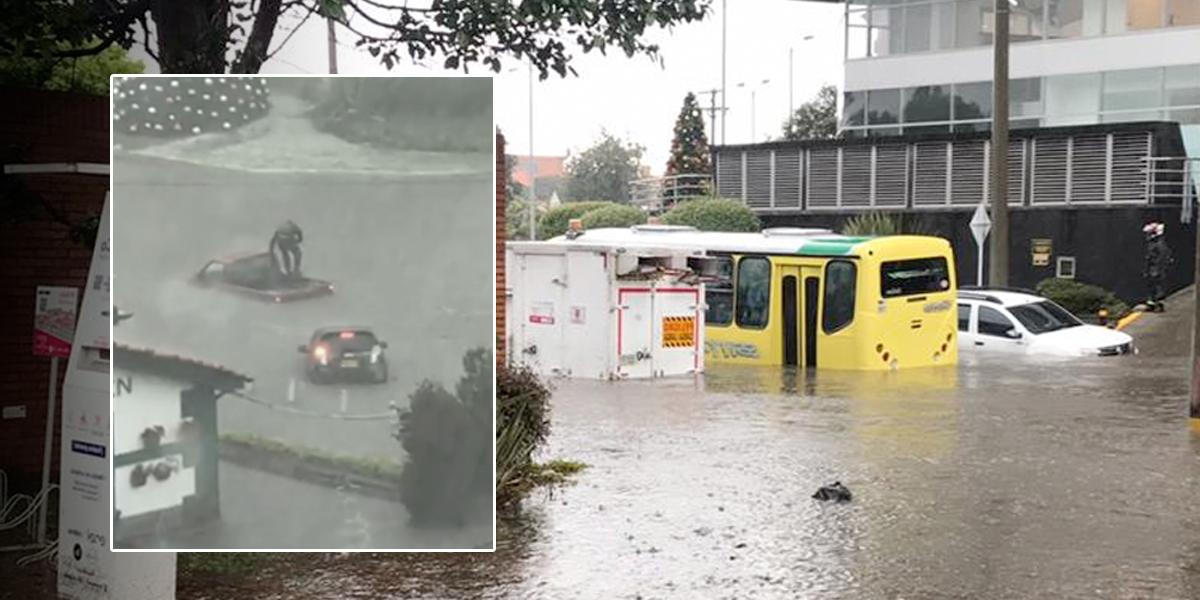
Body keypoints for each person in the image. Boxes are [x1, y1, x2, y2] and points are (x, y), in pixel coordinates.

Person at [1142, 222, 1171, 312]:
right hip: (1152, 268)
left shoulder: (1159, 244)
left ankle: (1159, 304)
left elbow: (1162, 257)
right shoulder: (1152, 243)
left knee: (1158, 287)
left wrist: (1158, 270)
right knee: (1151, 286)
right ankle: (1151, 304)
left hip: (1156, 269)